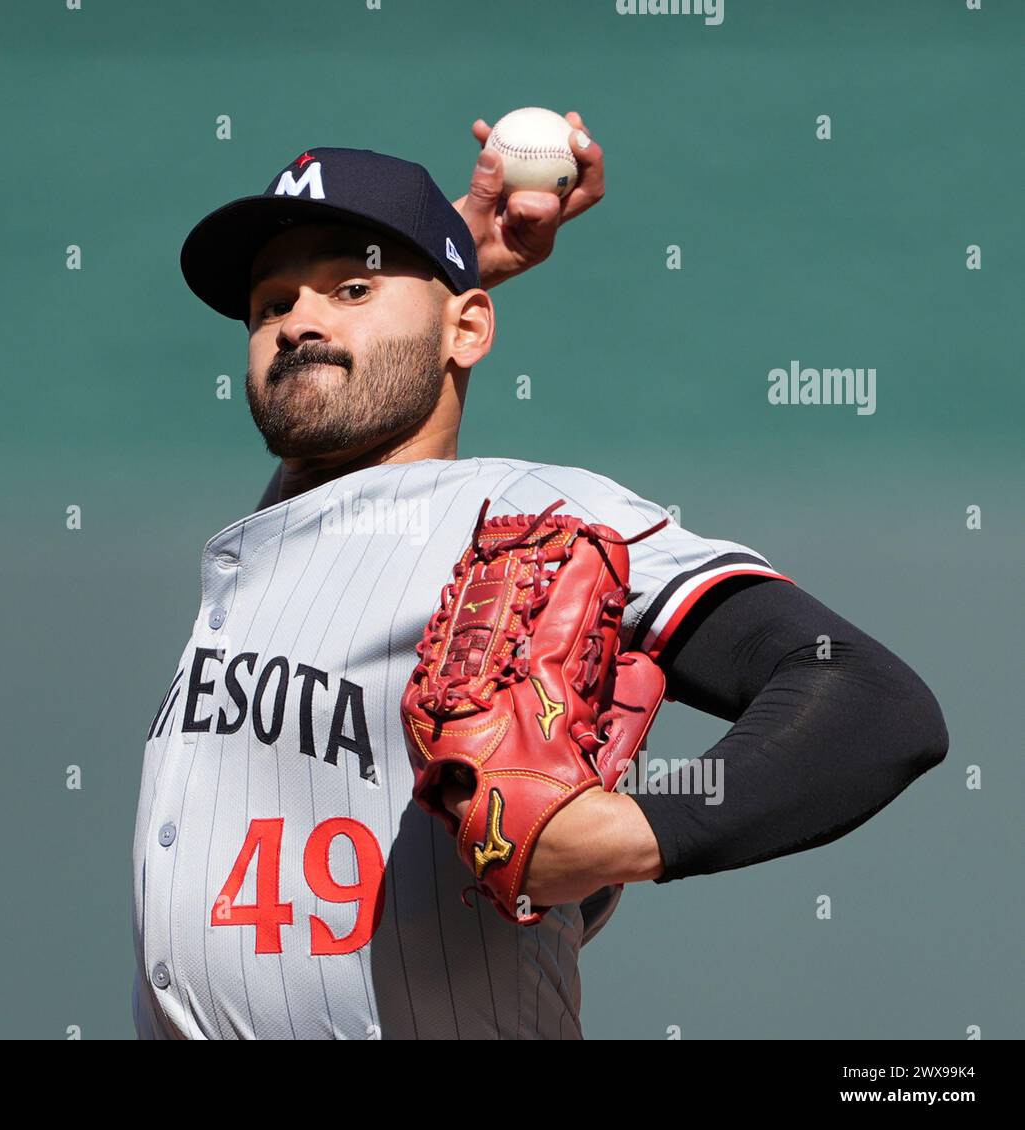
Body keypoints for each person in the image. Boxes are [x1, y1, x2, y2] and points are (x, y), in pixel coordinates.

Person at [131, 118, 948, 1039]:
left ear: (470, 330)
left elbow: (871, 700)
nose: (300, 322)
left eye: (352, 287)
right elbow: (333, 509)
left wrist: (630, 834)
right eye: (271, 305)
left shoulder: (533, 515)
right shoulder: (262, 556)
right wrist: (456, 264)